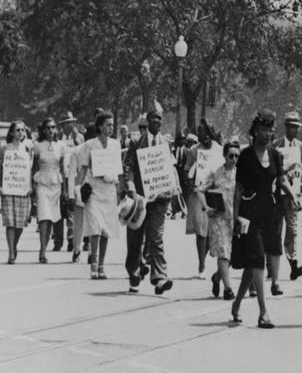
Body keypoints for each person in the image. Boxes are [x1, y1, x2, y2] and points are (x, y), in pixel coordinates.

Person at [231, 110, 289, 329]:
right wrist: (235, 216)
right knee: (255, 258)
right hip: (249, 213)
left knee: (252, 265)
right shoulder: (245, 156)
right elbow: (238, 189)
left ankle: (236, 304)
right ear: (255, 131)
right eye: (263, 130)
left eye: (270, 130)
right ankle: (263, 312)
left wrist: (293, 198)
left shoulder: (276, 155)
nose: (266, 134)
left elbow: (282, 181)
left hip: (271, 213)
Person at [125, 108, 175, 295]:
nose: (156, 121)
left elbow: (169, 169)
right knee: (135, 239)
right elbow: (128, 167)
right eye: (153, 118)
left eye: (159, 118)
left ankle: (159, 278)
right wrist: (130, 187)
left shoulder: (166, 144)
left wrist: (170, 189)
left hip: (159, 199)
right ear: (147, 120)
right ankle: (134, 272)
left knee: (156, 238)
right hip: (140, 198)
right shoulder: (137, 142)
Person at [75, 111, 123, 280]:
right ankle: (93, 264)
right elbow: (82, 168)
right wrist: (76, 189)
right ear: (100, 126)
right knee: (95, 227)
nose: (111, 128)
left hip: (109, 191)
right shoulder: (89, 145)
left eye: (112, 125)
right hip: (94, 190)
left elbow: (118, 169)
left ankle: (102, 265)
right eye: (108, 125)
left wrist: (120, 189)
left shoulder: (115, 145)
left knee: (105, 230)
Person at [184, 120, 224, 281]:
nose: (198, 135)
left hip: (215, 194)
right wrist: (190, 180)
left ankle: (205, 255)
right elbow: (186, 170)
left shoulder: (219, 150)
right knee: (201, 231)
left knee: (212, 230)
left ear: (208, 133)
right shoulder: (193, 151)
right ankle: (201, 265)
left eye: (201, 132)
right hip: (198, 195)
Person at [273, 111, 302, 289]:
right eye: (293, 127)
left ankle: (293, 261)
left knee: (293, 229)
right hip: (277, 194)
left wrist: (299, 193)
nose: (296, 131)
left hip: (293, 194)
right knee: (275, 228)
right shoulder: (276, 145)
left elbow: (300, 172)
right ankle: (271, 263)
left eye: (297, 127)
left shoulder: (300, 146)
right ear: (286, 127)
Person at [202, 139, 239, 301]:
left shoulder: (241, 174)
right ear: (224, 156)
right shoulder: (216, 173)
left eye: (237, 156)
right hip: (219, 220)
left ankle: (217, 277)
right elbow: (200, 190)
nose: (234, 159)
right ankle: (228, 288)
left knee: (231, 256)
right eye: (231, 155)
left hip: (235, 219)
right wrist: (207, 207)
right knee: (223, 253)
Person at [0, 120, 33, 264]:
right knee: (10, 222)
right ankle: (11, 252)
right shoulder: (4, 148)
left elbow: (29, 169)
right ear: (11, 133)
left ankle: (14, 244)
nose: (20, 133)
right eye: (17, 130)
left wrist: (30, 186)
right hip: (8, 187)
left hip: (22, 189)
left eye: (22, 130)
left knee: (20, 223)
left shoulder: (28, 148)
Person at [31, 118, 65, 262]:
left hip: (56, 184)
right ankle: (42, 250)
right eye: (48, 128)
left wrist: (65, 190)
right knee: (44, 216)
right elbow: (33, 166)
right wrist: (31, 185)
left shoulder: (61, 146)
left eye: (53, 127)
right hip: (42, 183)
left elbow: (63, 168)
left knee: (51, 218)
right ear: (43, 130)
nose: (51, 130)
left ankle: (45, 246)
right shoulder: (38, 146)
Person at [58, 112, 83, 254]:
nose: (70, 125)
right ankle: (62, 237)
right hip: (63, 176)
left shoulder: (79, 137)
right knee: (65, 207)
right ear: (63, 125)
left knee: (74, 206)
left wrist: (76, 139)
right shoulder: (58, 138)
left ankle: (72, 236)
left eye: (72, 122)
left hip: (75, 175)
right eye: (67, 123)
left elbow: (83, 153)